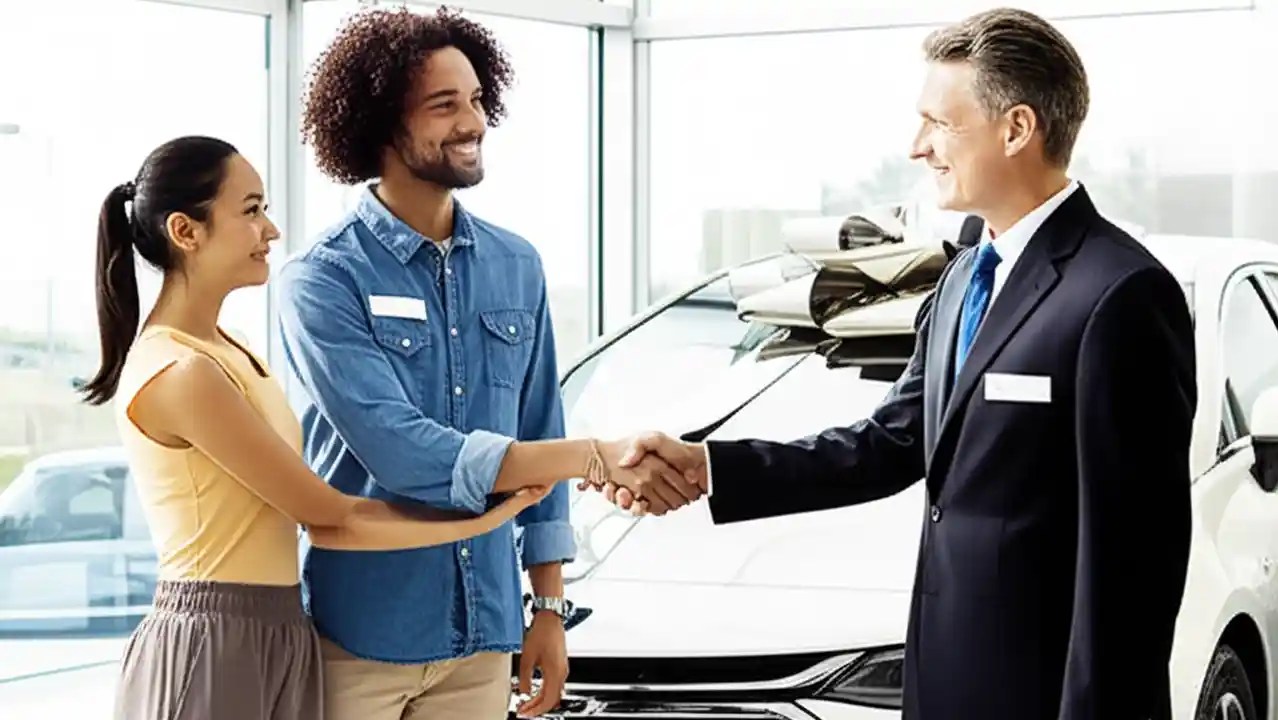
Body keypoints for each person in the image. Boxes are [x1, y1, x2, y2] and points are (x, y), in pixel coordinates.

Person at [591, 8, 1196, 720]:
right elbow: (890, 444)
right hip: (943, 680)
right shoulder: (964, 275)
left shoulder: (1120, 295)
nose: (919, 147)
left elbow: (1132, 571)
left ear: (1017, 128)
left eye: (941, 123)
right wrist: (708, 467)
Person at [277, 8, 695, 720]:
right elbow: (401, 449)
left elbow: (539, 423)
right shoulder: (322, 279)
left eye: (475, 100)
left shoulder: (515, 264)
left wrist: (550, 608)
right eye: (444, 105)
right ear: (380, 123)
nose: (471, 122)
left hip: (484, 635)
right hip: (358, 638)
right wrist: (591, 456)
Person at [81, 136, 559, 720]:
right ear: (187, 231)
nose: (271, 231)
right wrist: (489, 516)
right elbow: (335, 516)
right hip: (216, 641)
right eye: (251, 210)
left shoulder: (231, 351)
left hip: (276, 631)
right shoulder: (182, 373)